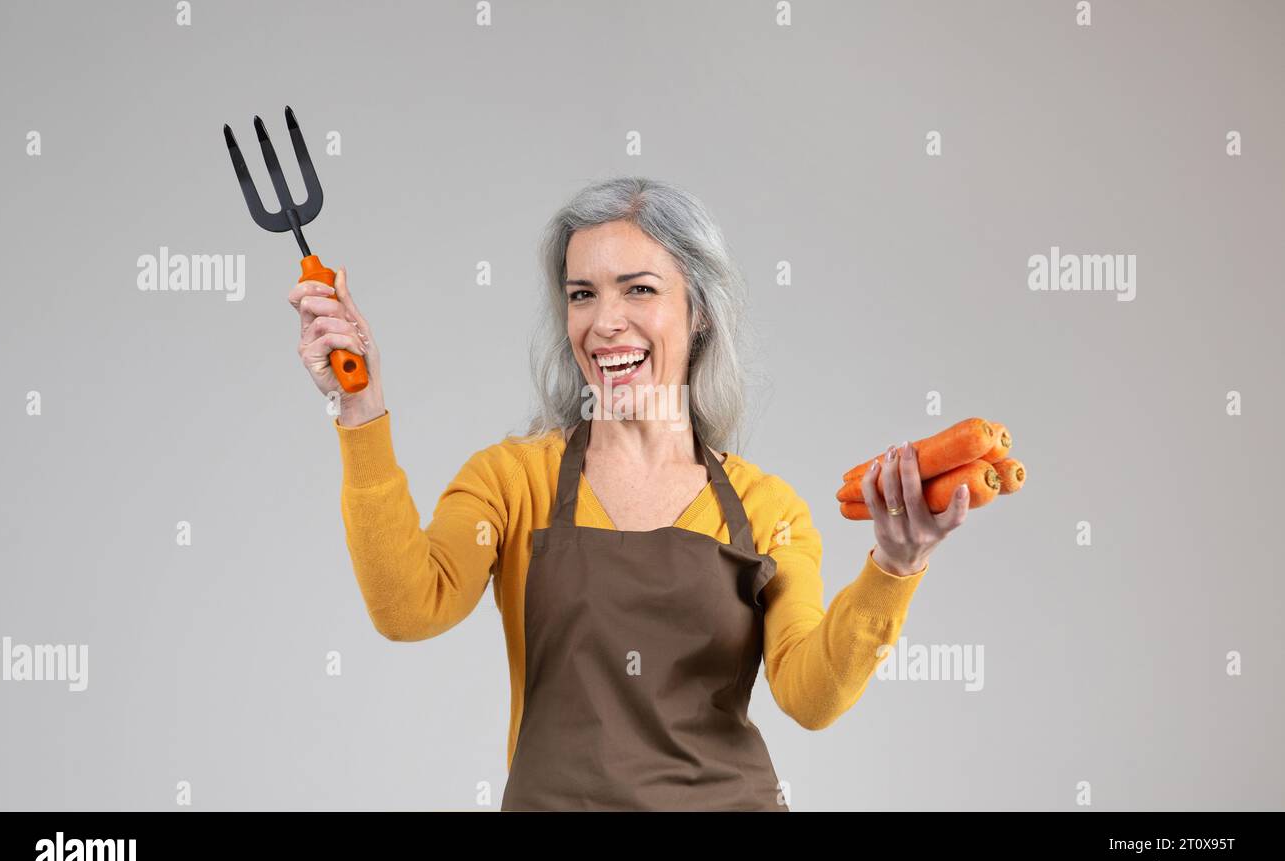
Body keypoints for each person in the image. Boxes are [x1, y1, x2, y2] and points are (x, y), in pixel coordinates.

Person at [288, 176, 970, 811]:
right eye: (582, 293)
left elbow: (811, 695)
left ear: (698, 310)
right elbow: (408, 608)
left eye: (638, 289)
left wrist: (895, 565)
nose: (605, 321)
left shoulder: (768, 509)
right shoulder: (512, 480)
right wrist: (361, 409)